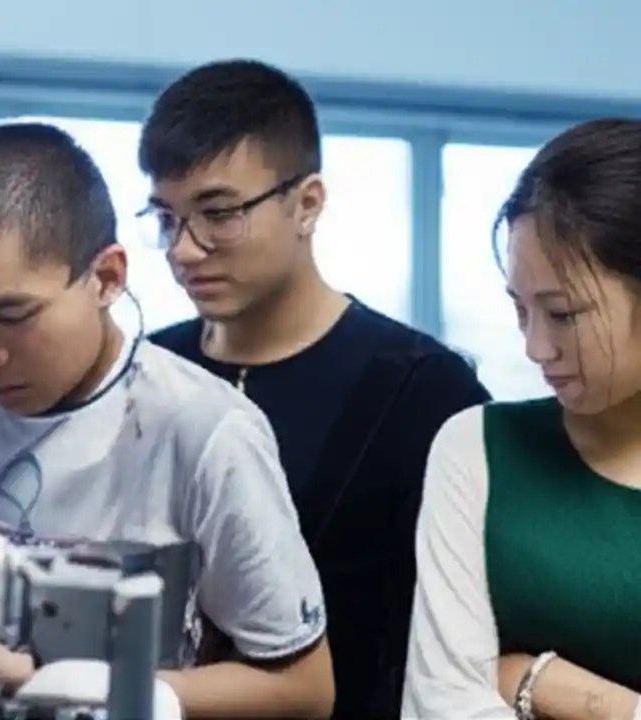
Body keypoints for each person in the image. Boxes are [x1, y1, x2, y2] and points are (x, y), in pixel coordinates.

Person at [0, 122, 335, 719]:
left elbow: (303, 690)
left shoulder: (205, 430)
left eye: (13, 317)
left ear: (107, 277)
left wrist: (25, 677)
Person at [136, 59, 491, 718]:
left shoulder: (422, 392)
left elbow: (458, 644)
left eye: (218, 213)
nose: (185, 250)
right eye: (166, 219)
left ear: (307, 204)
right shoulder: (148, 372)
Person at [403, 119, 641, 720]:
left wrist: (546, 685)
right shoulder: (478, 447)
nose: (536, 347)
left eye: (562, 314)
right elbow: (441, 703)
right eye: (520, 309)